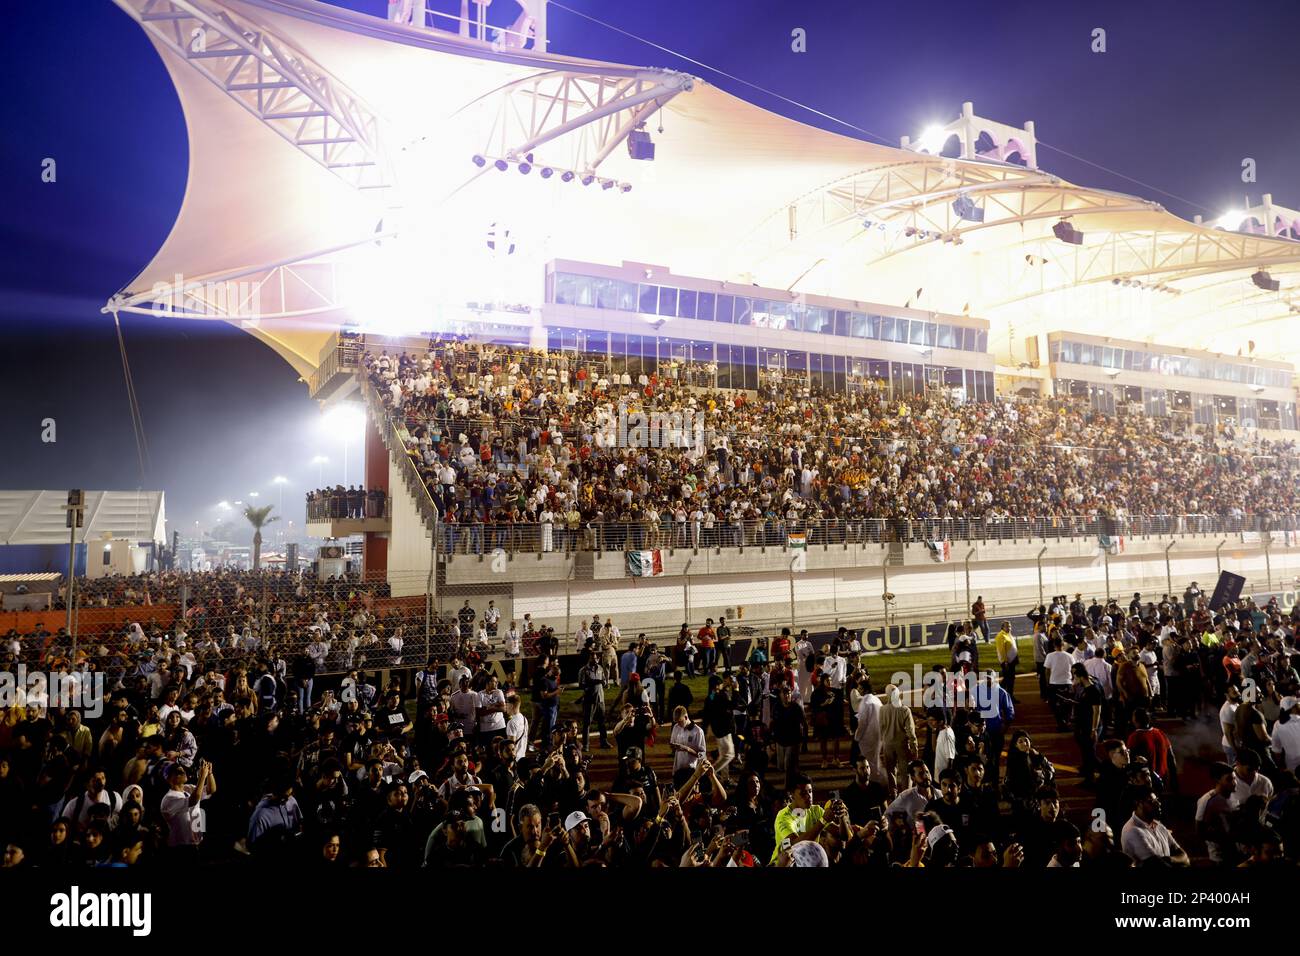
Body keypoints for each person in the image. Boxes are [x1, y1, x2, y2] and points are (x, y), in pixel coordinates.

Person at [1120, 788, 1189, 865]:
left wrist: (1169, 859)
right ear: (1138, 803)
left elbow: (1184, 857)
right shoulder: (1133, 831)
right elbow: (1157, 864)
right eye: (1153, 801)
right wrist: (1177, 861)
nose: (1158, 803)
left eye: (1157, 800)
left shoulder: (1159, 825)